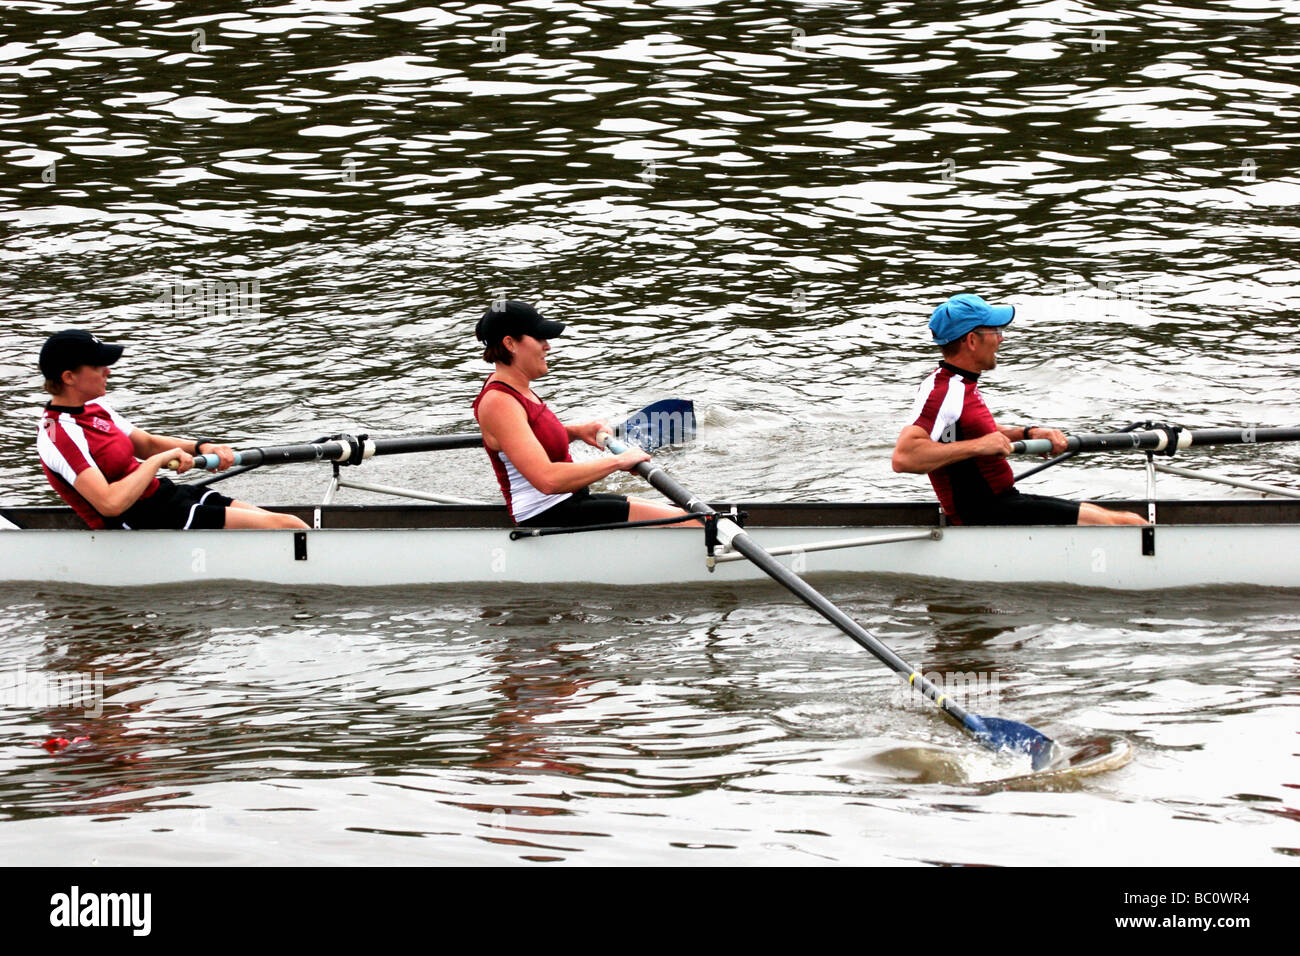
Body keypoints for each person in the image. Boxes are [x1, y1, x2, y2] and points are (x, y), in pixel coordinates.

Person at [892, 294, 1145, 526]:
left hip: (1004, 502)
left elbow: (969, 431)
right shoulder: (945, 391)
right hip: (984, 515)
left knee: (1126, 519)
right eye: (996, 331)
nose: (1001, 338)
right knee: (1126, 525)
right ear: (971, 340)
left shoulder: (958, 384)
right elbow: (905, 458)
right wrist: (977, 447)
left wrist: (1028, 432)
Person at [36, 329, 307, 531]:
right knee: (286, 527)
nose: (107, 371)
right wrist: (156, 463)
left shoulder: (95, 409)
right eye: (97, 366)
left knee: (288, 524)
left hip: (165, 498)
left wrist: (202, 447)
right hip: (141, 521)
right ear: (69, 377)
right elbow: (110, 503)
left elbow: (149, 444)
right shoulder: (58, 435)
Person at [471, 301, 688, 527]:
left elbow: (527, 440)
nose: (548, 346)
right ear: (510, 343)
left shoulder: (516, 388)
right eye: (540, 338)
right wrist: (618, 461)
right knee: (695, 526)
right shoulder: (499, 402)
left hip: (570, 502)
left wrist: (576, 432)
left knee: (691, 517)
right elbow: (547, 480)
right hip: (547, 515)